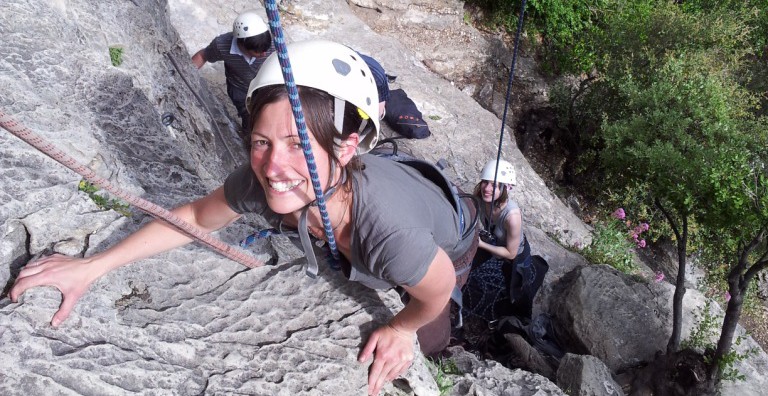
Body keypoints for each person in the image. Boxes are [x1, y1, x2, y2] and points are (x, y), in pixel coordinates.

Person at [10, 40, 476, 396]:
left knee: (432, 330)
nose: (273, 168)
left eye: (298, 145)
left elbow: (434, 289)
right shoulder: (268, 182)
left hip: (451, 236)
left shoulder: (389, 233)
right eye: (262, 141)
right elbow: (193, 216)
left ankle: (447, 351)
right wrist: (93, 267)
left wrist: (401, 328)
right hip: (393, 214)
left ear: (347, 147)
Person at [462, 158, 535, 320]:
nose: (487, 188)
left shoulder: (512, 216)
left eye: (494, 185)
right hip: (492, 240)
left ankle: (523, 318)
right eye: (485, 182)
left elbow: (510, 253)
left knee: (518, 289)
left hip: (515, 252)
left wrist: (480, 244)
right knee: (467, 265)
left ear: (505, 188)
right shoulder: (480, 200)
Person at [191, 10, 275, 131]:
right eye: (258, 52)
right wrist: (184, 74)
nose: (264, 54)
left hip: (265, 85)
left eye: (266, 49)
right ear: (241, 45)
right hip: (240, 89)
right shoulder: (222, 45)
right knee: (248, 117)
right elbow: (203, 56)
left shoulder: (274, 42)